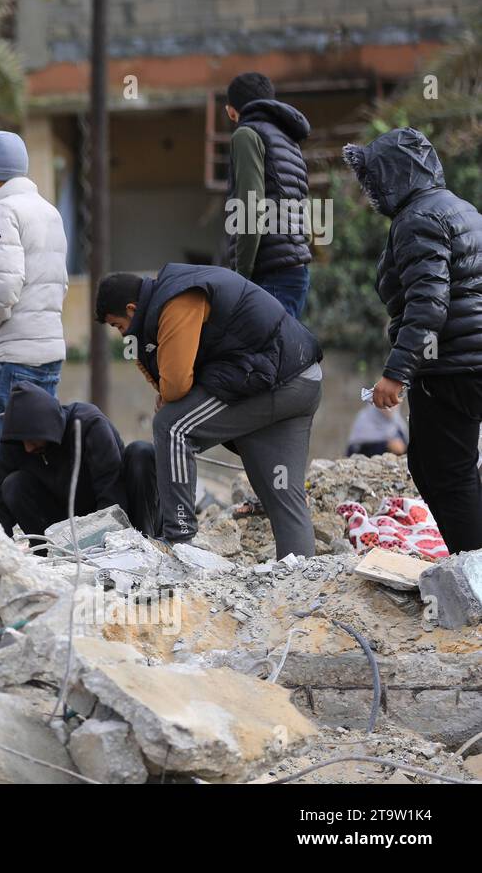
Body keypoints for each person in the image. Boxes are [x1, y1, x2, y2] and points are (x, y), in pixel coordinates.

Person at [96, 263, 322, 560]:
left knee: (172, 427)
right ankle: (300, 583)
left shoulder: (177, 300)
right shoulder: (175, 290)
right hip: (297, 380)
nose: (123, 335)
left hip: (276, 382)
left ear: (131, 308)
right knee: (282, 494)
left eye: (118, 325)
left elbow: (176, 385)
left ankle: (179, 538)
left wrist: (166, 391)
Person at [344, 127, 482, 553]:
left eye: (373, 180)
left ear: (394, 175)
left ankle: (474, 574)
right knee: (441, 467)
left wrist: (396, 373)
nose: (369, 192)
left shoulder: (417, 218)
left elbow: (428, 304)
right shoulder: (463, 209)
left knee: (445, 472)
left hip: (452, 366)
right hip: (467, 359)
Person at [0, 130, 69, 457]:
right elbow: (62, 283)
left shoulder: (4, 212)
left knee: (8, 461)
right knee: (42, 454)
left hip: (14, 359)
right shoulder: (49, 211)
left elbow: (4, 285)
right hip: (49, 354)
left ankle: (8, 512)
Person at [0, 382, 158, 541]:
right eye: (22, 442)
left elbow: (111, 492)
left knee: (140, 452)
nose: (28, 448)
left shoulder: (89, 424)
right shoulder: (15, 443)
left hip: (118, 512)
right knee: (12, 485)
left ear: (47, 428)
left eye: (32, 440)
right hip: (66, 522)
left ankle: (144, 541)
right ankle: (50, 551)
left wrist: (106, 541)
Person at [223, 72, 313, 318]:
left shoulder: (246, 135)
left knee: (265, 354)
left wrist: (242, 275)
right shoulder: (288, 139)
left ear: (231, 111)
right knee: (283, 352)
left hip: (269, 272)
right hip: (295, 268)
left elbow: (252, 207)